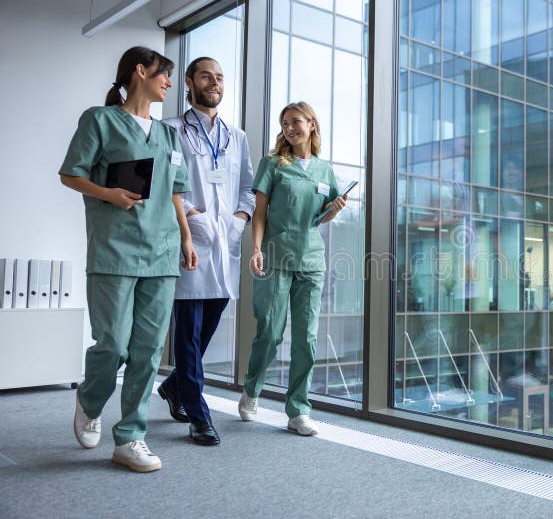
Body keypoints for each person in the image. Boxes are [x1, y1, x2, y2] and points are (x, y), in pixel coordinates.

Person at [59, 46, 197, 472]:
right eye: (164, 75)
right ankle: (90, 398)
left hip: (162, 251)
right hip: (114, 249)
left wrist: (187, 239)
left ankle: (131, 437)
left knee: (148, 349)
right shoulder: (99, 119)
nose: (169, 83)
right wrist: (108, 193)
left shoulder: (169, 135)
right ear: (141, 71)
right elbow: (70, 173)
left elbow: (175, 192)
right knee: (113, 344)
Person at [158, 57, 255, 446]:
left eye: (219, 77)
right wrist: (192, 217)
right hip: (192, 239)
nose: (214, 83)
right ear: (189, 82)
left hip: (226, 242)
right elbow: (167, 182)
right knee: (188, 332)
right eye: (205, 76)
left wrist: (239, 220)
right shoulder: (171, 130)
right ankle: (200, 415)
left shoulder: (237, 136)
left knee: (209, 325)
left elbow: (247, 185)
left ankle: (173, 386)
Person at [238, 101, 347, 436]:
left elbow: (319, 216)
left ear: (311, 124)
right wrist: (255, 248)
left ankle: (298, 409)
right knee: (270, 330)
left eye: (296, 121)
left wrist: (336, 209)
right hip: (274, 255)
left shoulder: (325, 170)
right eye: (285, 123)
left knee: (306, 337)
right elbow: (259, 213)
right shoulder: (272, 164)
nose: (289, 128)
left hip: (311, 258)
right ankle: (252, 389)